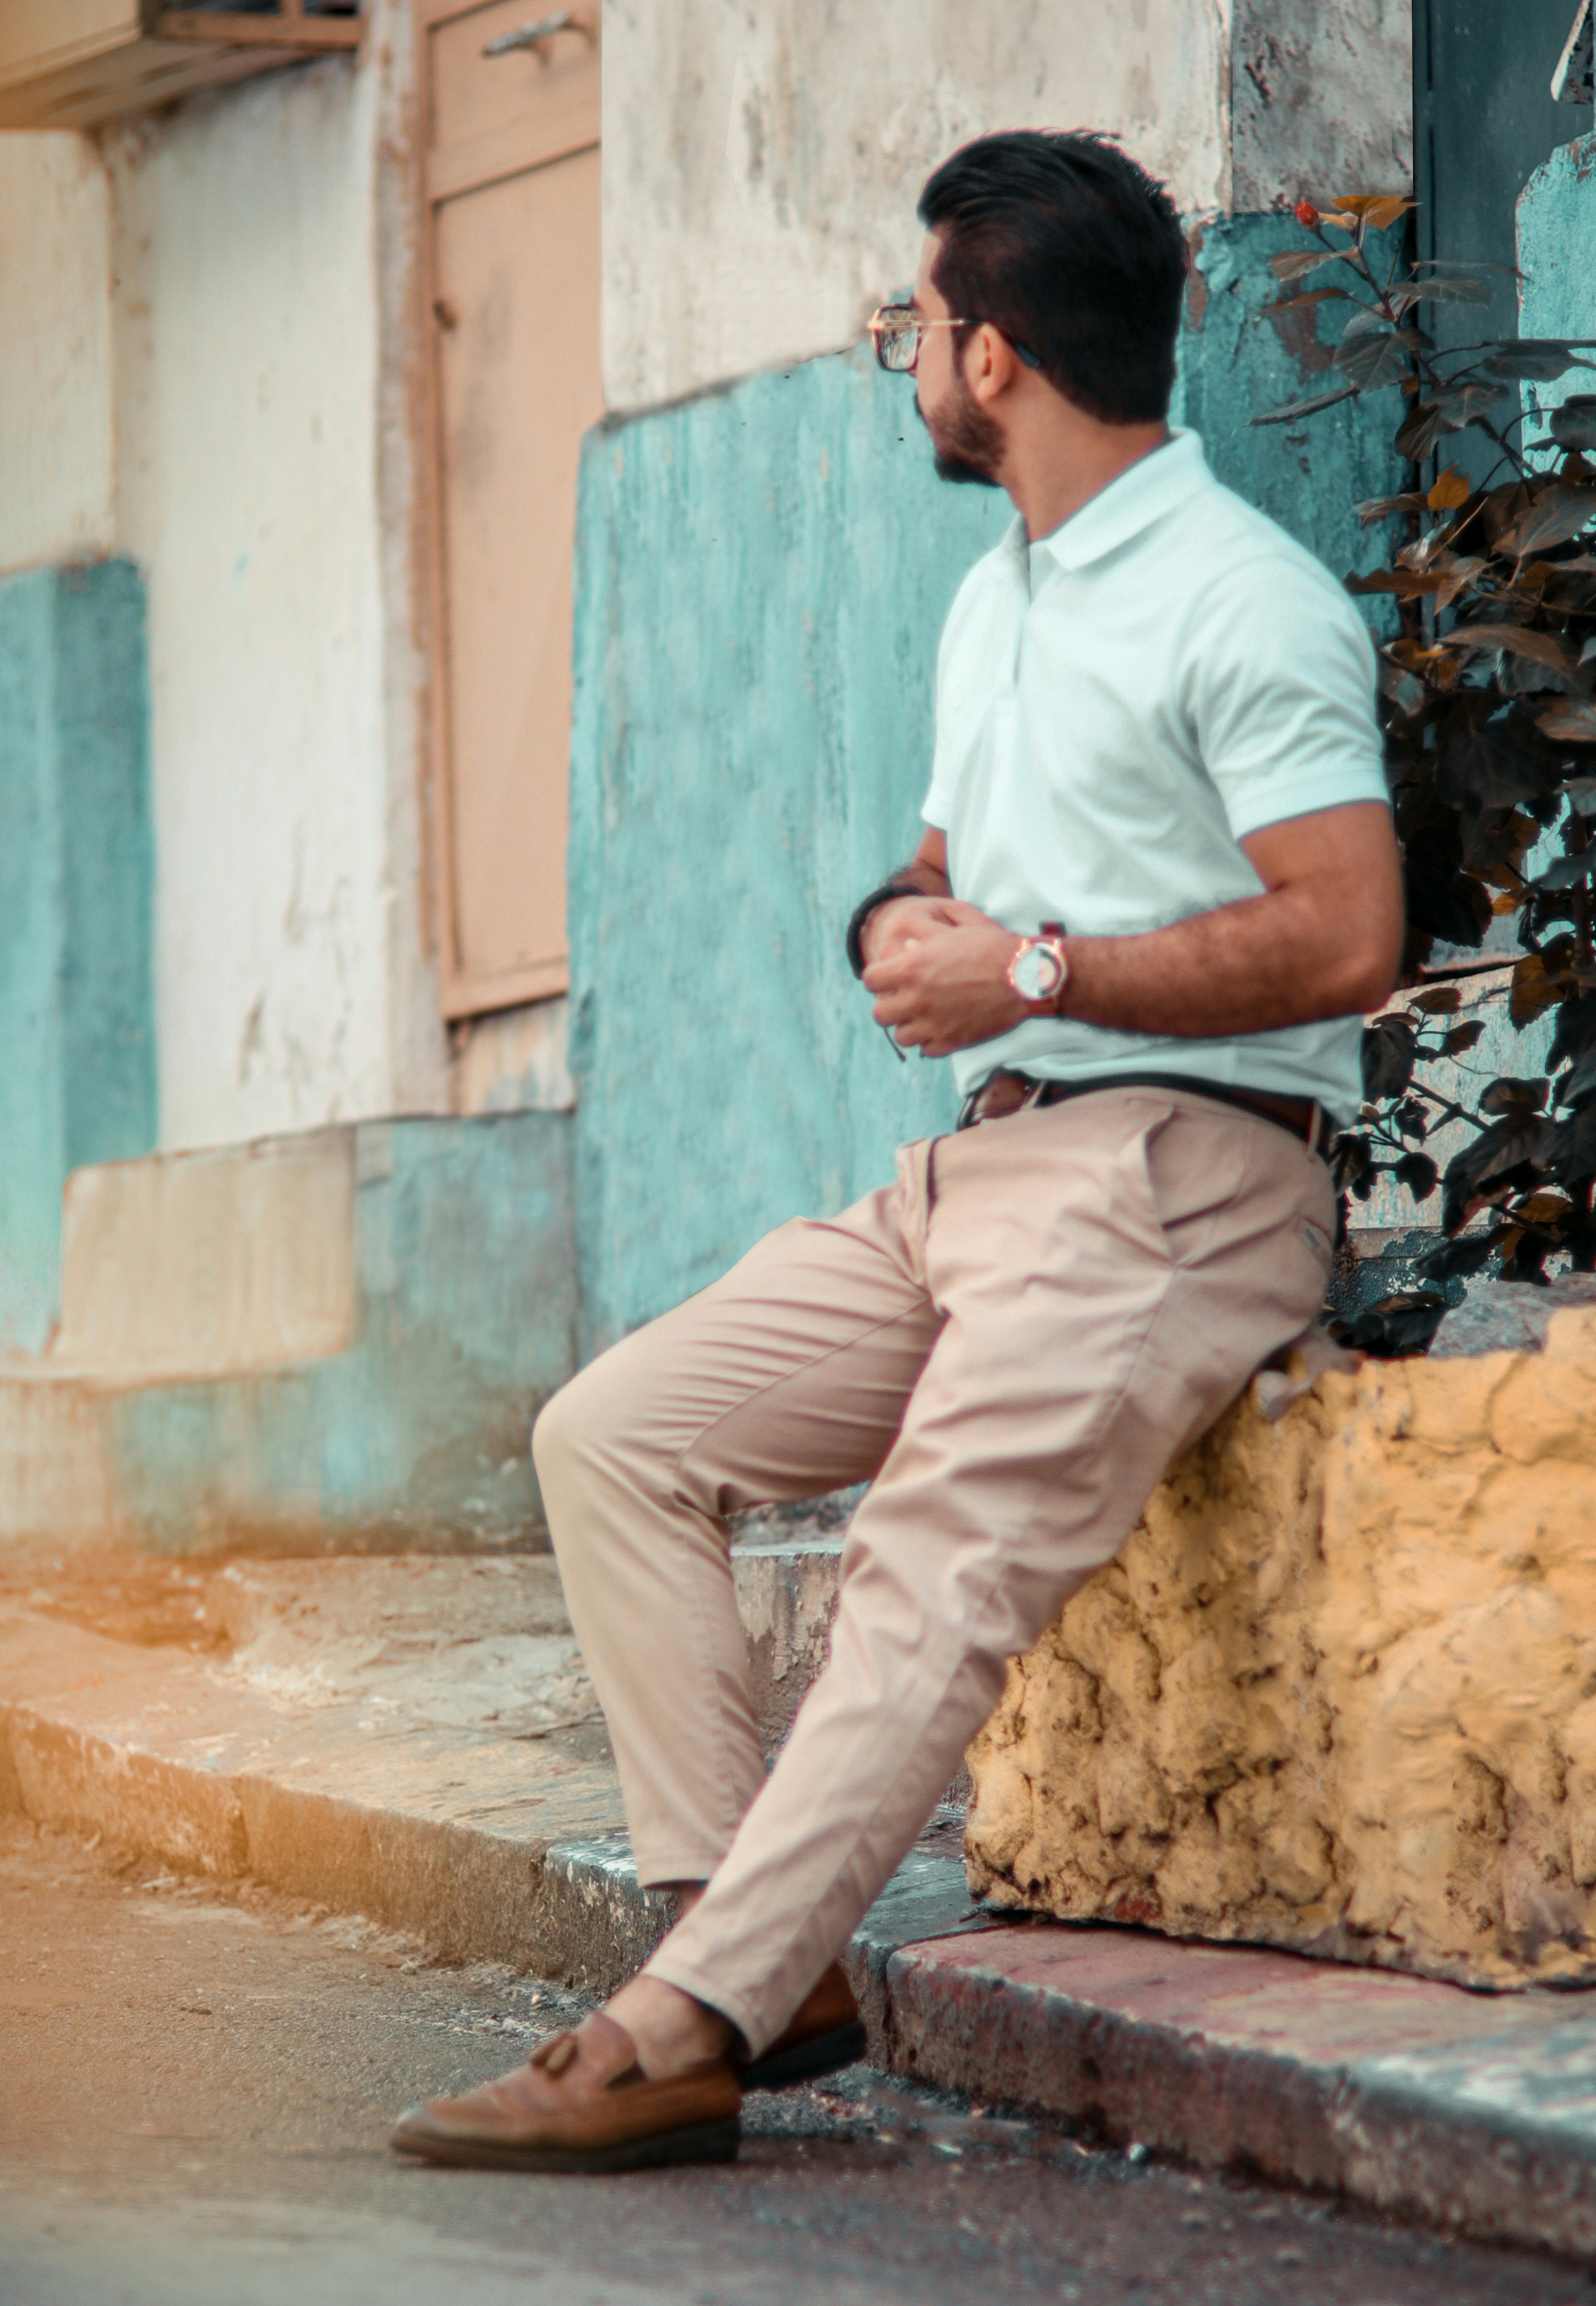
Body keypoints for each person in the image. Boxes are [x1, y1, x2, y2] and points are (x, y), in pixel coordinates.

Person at [392, 130, 1402, 2173]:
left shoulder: (1242, 602)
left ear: (994, 356)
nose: (910, 365)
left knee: (916, 1566)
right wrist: (905, 925)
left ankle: (675, 2031)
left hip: (1183, 1181)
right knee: (616, 1437)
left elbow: (1350, 933)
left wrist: (1032, 968)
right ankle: (748, 1963)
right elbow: (944, 870)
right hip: (981, 1172)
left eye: (912, 331)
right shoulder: (995, 600)